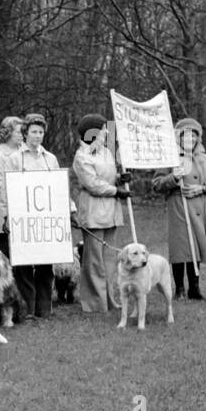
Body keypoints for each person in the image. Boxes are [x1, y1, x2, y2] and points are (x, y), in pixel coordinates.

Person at [151, 118, 206, 300]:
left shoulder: (204, 159)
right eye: (186, 136)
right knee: (180, 247)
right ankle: (180, 290)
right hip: (179, 208)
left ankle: (195, 289)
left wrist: (203, 188)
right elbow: (157, 184)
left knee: (197, 246)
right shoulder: (170, 158)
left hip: (199, 208)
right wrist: (174, 178)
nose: (190, 140)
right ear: (179, 138)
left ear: (198, 139)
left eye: (193, 136)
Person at [70, 113, 128, 314]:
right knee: (94, 261)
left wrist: (120, 178)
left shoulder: (106, 151)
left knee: (109, 259)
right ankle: (94, 303)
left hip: (111, 211)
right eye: (102, 128)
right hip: (94, 210)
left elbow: (108, 176)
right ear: (92, 132)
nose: (106, 131)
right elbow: (92, 183)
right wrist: (115, 190)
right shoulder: (82, 156)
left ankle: (109, 299)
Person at [12, 113, 58, 319]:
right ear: (25, 133)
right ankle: (27, 309)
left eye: (41, 132)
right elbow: (6, 189)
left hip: (45, 219)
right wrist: (7, 215)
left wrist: (70, 210)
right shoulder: (15, 158)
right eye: (34, 132)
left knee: (44, 265)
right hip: (22, 217)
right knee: (23, 266)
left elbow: (59, 186)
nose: (38, 136)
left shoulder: (50, 158)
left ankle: (44, 309)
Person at [0, 116, 25, 260]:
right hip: (2, 212)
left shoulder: (24, 150)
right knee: (4, 252)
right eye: (19, 132)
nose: (22, 135)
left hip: (22, 210)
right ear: (8, 133)